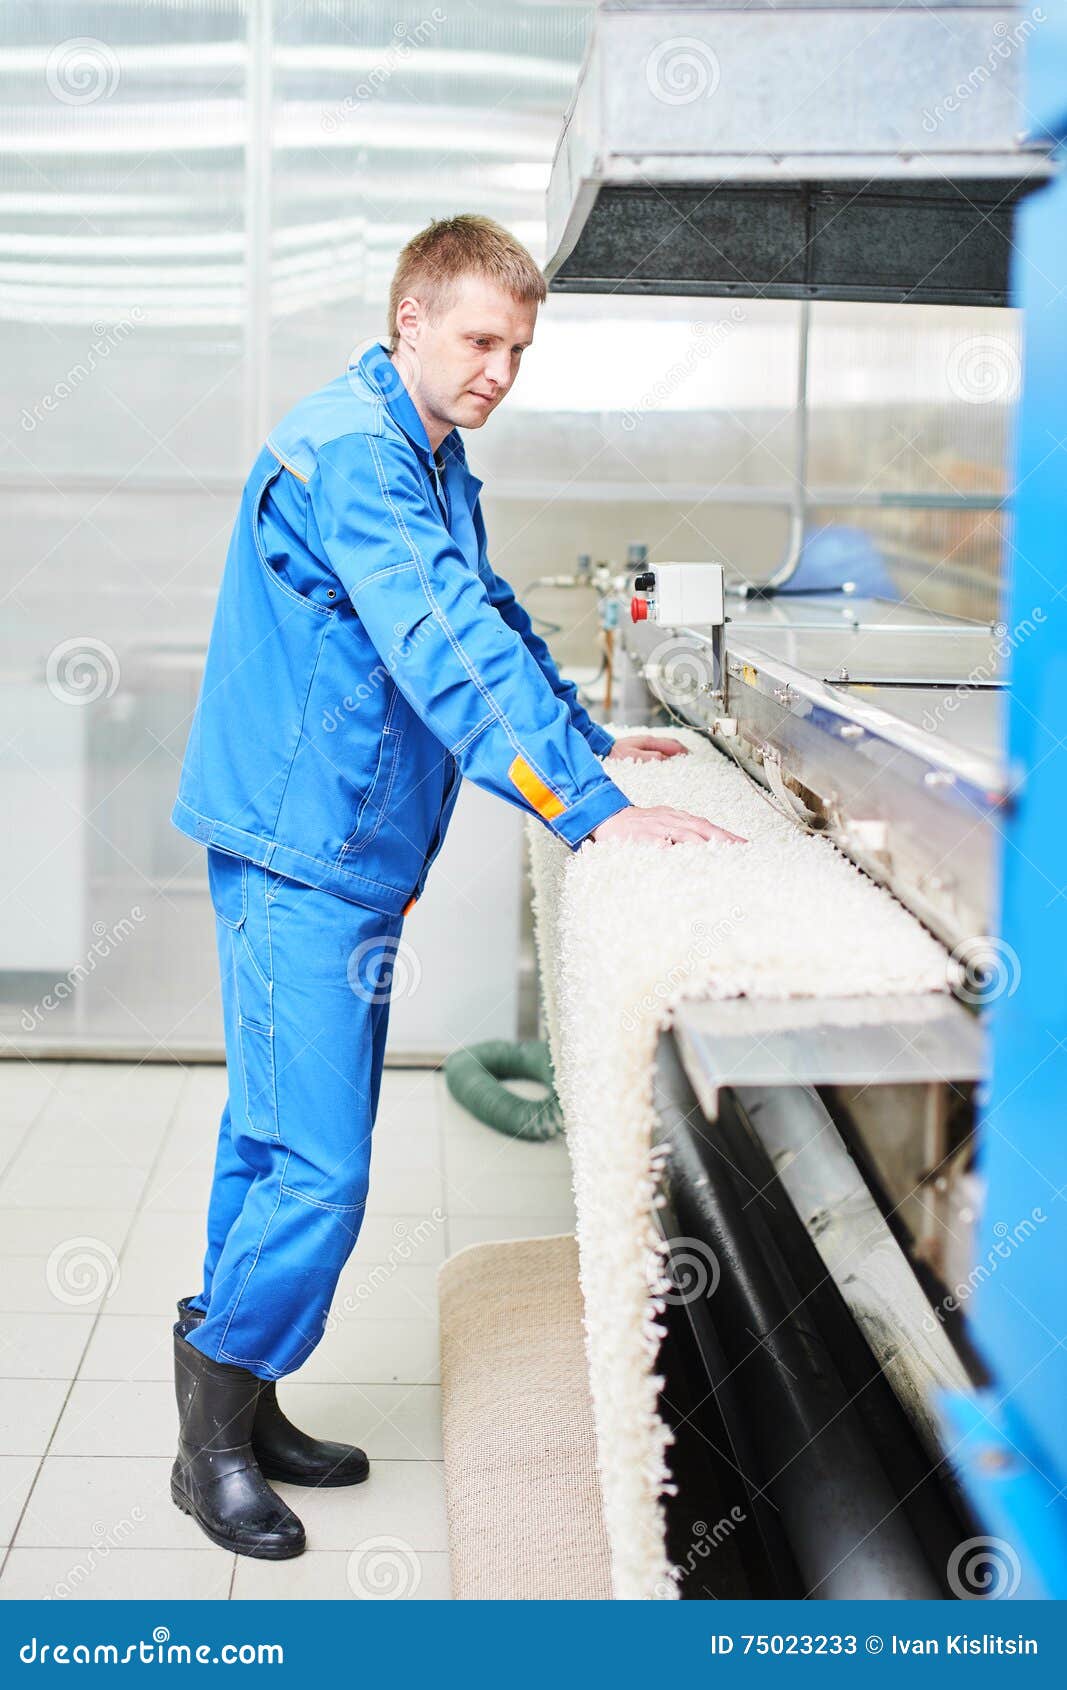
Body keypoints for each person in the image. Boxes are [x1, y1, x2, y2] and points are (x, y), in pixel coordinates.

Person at [168, 213, 742, 1559]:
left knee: (272, 1138)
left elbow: (480, 611)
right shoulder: (361, 456)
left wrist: (590, 735)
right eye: (480, 339)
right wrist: (593, 811)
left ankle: (241, 1403)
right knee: (317, 1166)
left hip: (343, 853)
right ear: (409, 321)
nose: (500, 368)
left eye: (519, 348)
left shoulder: (426, 450)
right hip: (294, 852)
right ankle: (207, 1443)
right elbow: (437, 645)